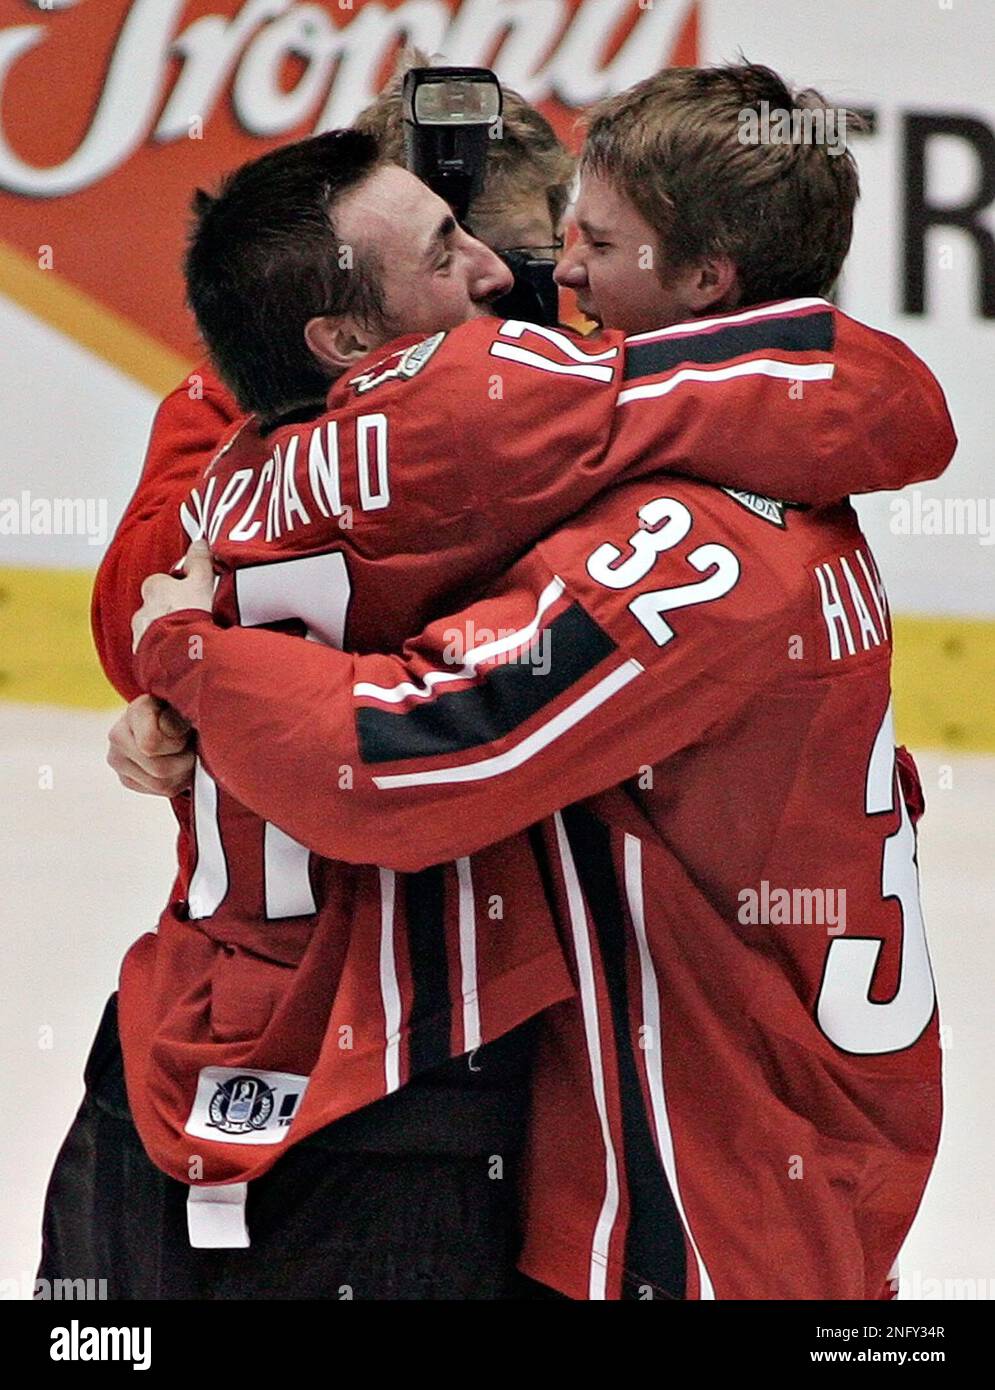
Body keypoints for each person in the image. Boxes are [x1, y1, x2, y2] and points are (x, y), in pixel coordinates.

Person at [128, 63, 954, 1302]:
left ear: (702, 281)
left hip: (708, 1188)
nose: (551, 280)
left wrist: (189, 651)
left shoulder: (685, 538)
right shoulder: (775, 472)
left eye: (591, 245)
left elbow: (401, 754)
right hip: (801, 1144)